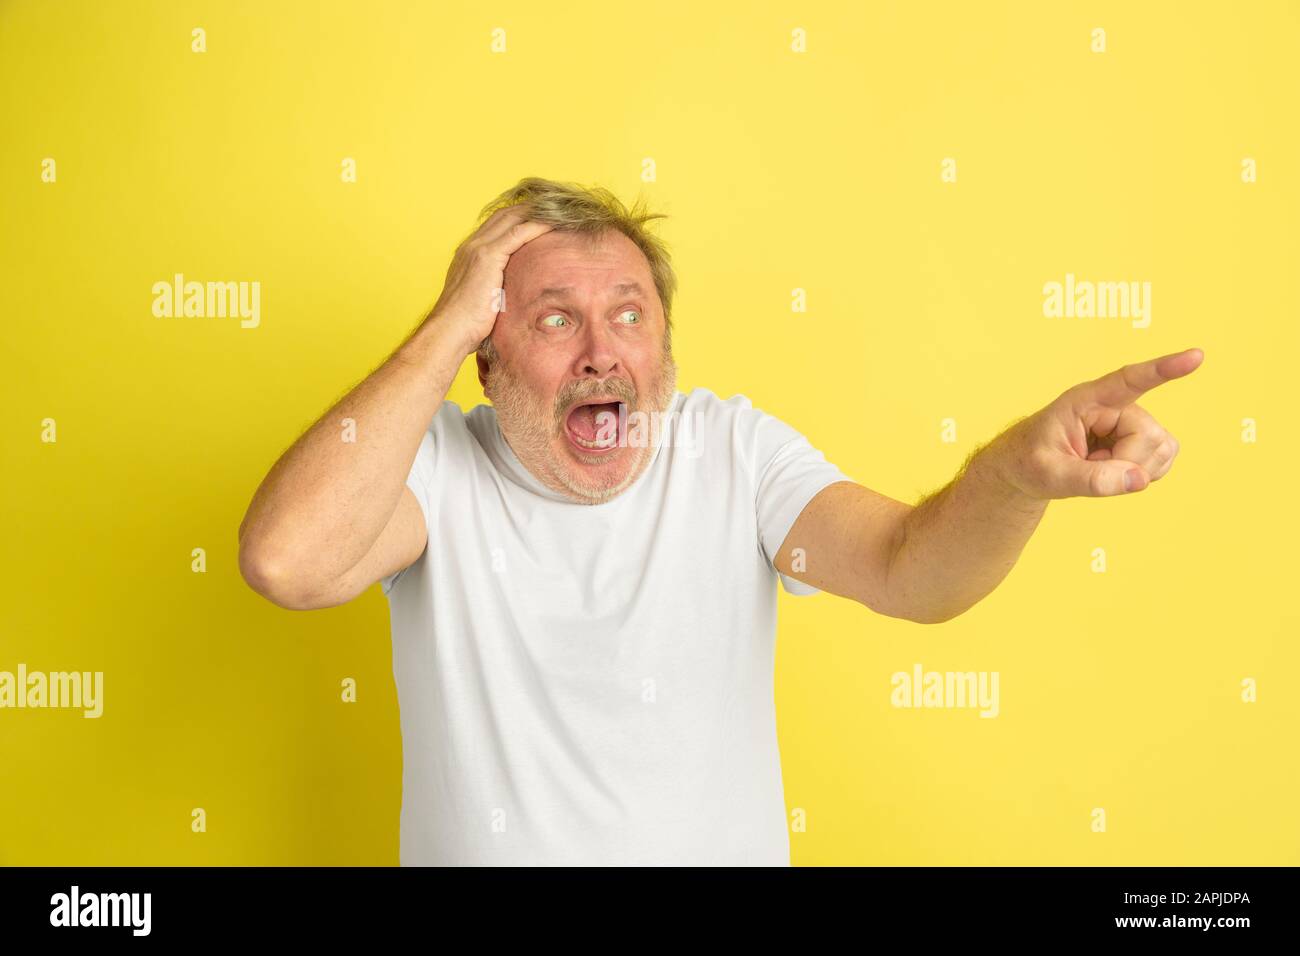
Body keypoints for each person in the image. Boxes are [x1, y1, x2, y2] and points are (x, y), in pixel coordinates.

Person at [237, 176, 1202, 865]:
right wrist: (446, 323)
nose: (602, 353)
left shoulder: (732, 452)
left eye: (630, 313)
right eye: (554, 319)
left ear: (667, 343)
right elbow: (287, 563)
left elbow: (914, 571)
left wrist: (1015, 477)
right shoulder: (439, 468)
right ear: (485, 362)